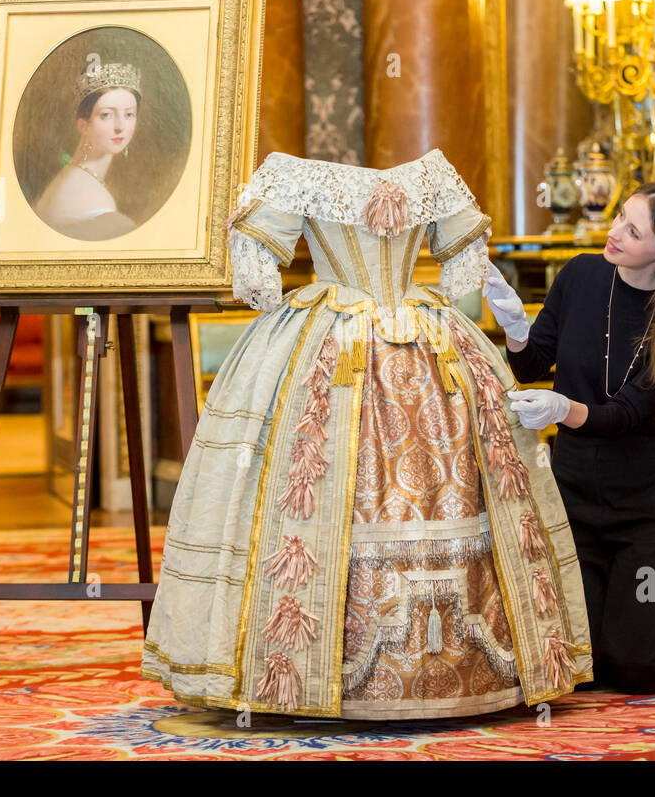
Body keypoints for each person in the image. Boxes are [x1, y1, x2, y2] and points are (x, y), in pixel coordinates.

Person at [142, 148, 593, 719]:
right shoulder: (398, 175)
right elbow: (463, 270)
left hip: (340, 331)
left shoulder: (308, 175)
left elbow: (255, 269)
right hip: (414, 336)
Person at [483, 179, 655, 694]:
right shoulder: (583, 275)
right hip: (573, 495)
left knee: (643, 673)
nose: (613, 233)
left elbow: (626, 414)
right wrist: (516, 326)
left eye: (632, 232)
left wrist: (562, 407)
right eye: (618, 217)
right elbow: (530, 363)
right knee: (579, 668)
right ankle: (646, 617)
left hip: (645, 505)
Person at [34, 61, 141, 241]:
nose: (120, 126)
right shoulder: (89, 196)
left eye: (129, 114)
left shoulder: (77, 175)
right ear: (84, 126)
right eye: (106, 115)